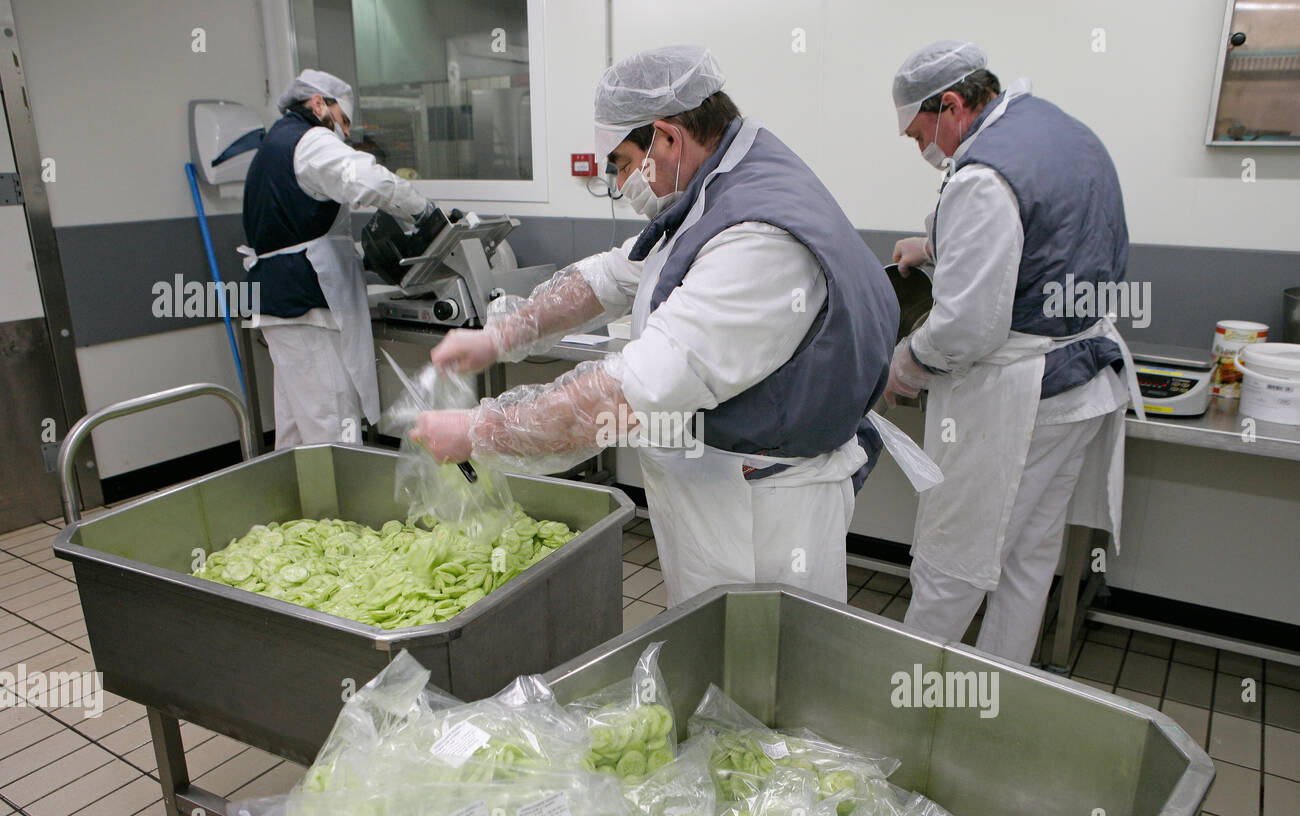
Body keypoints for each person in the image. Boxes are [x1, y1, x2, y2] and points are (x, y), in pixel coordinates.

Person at [410, 46, 903, 608]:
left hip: (757, 517)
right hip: (717, 493)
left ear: (668, 137)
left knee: (756, 668)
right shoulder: (713, 186)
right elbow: (612, 275)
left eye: (621, 163)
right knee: (710, 649)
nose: (621, 184)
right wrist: (500, 335)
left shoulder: (758, 239)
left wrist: (480, 430)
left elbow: (629, 396)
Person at [885, 41, 1145, 665]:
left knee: (954, 560)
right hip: (1083, 383)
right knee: (1029, 556)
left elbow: (966, 327)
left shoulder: (981, 175)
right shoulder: (1061, 132)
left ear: (950, 104)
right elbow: (1045, 236)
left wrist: (906, 368)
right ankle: (997, 705)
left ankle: (904, 706)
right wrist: (934, 245)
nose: (922, 147)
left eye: (920, 131)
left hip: (1021, 399)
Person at [240, 69, 439, 447]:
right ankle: (339, 506)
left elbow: (299, 231)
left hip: (283, 305)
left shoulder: (275, 144)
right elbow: (371, 181)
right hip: (308, 306)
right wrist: (423, 211)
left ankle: (301, 503)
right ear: (318, 104)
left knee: (298, 426)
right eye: (343, 120)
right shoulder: (310, 140)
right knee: (333, 425)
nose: (346, 134)